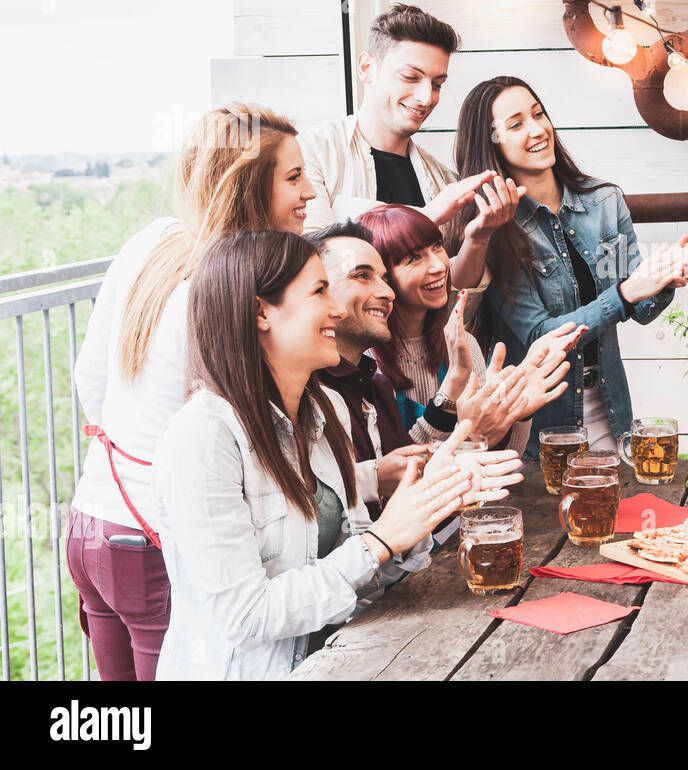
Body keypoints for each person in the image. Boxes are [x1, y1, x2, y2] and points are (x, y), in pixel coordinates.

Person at [153, 230, 476, 680]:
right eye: (320, 291)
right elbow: (247, 616)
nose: (338, 309)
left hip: (342, 660)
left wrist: (421, 507)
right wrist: (380, 541)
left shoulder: (328, 410)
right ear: (259, 311)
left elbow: (363, 576)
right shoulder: (202, 436)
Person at [68, 103, 316, 682]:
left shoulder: (152, 242)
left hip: (92, 523)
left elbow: (90, 380)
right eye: (293, 177)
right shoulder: (233, 289)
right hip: (153, 543)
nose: (310, 191)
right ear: (251, 189)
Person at [449, 76, 688, 456]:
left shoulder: (604, 203)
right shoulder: (496, 231)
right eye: (516, 124)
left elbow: (642, 308)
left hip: (611, 401)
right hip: (539, 417)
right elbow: (539, 336)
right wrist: (626, 292)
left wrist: (666, 277)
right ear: (491, 142)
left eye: (538, 114)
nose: (537, 129)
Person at [296, 3, 519, 325]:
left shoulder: (443, 181)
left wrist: (478, 238)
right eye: (410, 77)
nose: (426, 97)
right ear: (366, 68)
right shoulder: (313, 151)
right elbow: (311, 261)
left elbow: (453, 307)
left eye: (438, 83)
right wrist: (426, 218)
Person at [306, 218, 535, 518]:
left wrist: (515, 407)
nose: (386, 292)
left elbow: (408, 486)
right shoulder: (314, 385)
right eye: (362, 275)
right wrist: (465, 432)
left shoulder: (372, 382)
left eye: (437, 246)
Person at [357, 204, 580, 454]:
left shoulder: (463, 343)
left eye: (437, 247)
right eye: (414, 258)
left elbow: (504, 454)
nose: (439, 266)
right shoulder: (364, 359)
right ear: (381, 277)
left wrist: (514, 410)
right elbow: (393, 471)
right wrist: (453, 390)